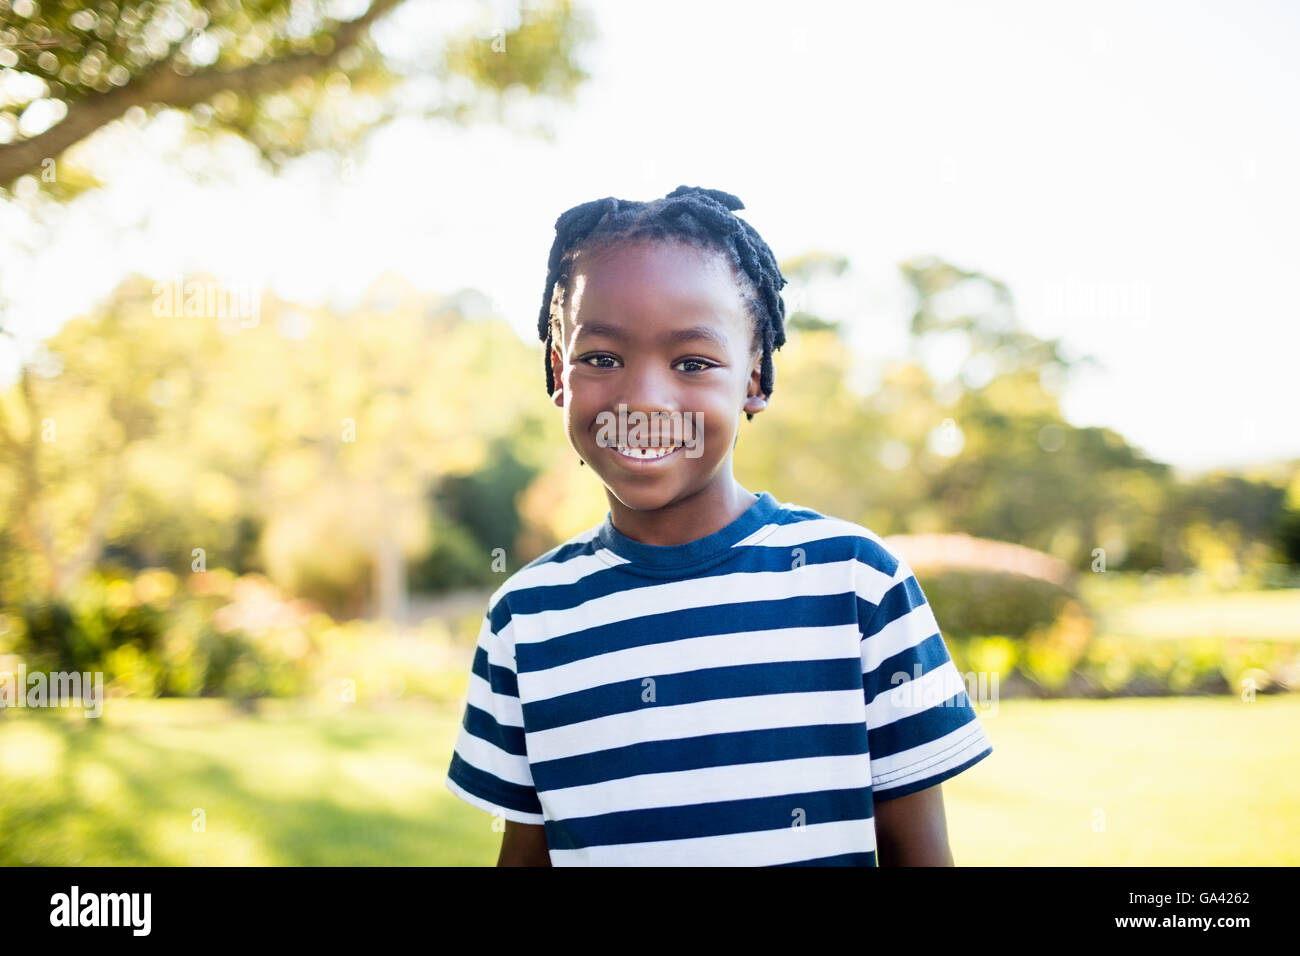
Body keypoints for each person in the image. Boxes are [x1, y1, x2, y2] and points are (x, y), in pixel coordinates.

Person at [444, 185, 993, 866]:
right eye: (602, 358)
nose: (644, 398)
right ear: (559, 370)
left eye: (693, 363)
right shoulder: (525, 621)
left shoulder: (859, 584)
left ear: (755, 377)